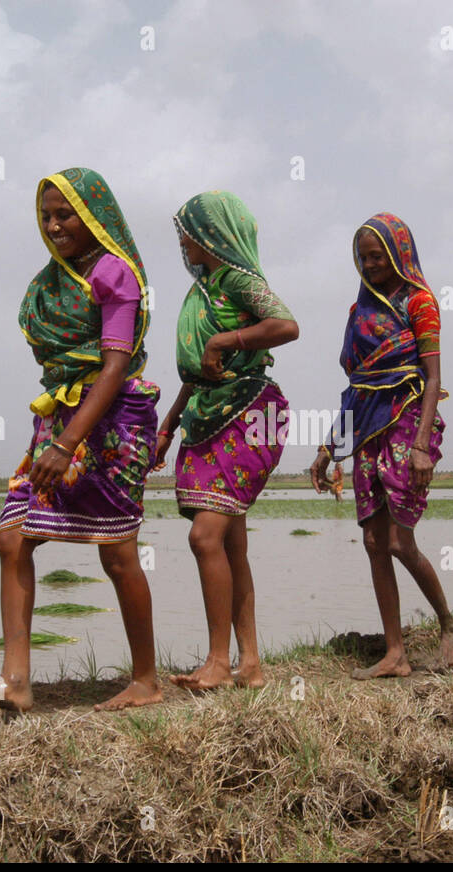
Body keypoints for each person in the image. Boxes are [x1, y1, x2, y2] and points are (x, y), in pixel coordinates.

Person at [0, 167, 161, 714]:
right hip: (59, 417)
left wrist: (67, 444)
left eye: (64, 213)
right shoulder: (52, 279)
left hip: (110, 422)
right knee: (13, 539)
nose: (54, 224)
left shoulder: (116, 274)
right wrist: (59, 437)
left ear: (93, 214)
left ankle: (146, 679)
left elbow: (114, 367)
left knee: (117, 554)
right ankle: (15, 683)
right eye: (46, 215)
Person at [153, 191, 298, 691]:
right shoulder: (201, 292)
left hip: (250, 410)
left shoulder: (238, 280)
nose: (182, 241)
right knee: (231, 544)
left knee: (204, 537)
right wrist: (168, 426)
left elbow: (286, 325)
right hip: (204, 414)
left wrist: (225, 340)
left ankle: (217, 661)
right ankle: (250, 663)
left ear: (210, 233)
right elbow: (196, 372)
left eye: (187, 231)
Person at [309, 214, 453, 678]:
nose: (370, 264)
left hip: (408, 418)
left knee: (398, 540)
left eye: (378, 256)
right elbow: (357, 385)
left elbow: (433, 377)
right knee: (374, 540)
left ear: (399, 253)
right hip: (366, 425)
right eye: (363, 257)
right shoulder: (359, 313)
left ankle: (448, 624)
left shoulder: (420, 302)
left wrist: (420, 446)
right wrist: (329, 446)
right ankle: (395, 652)